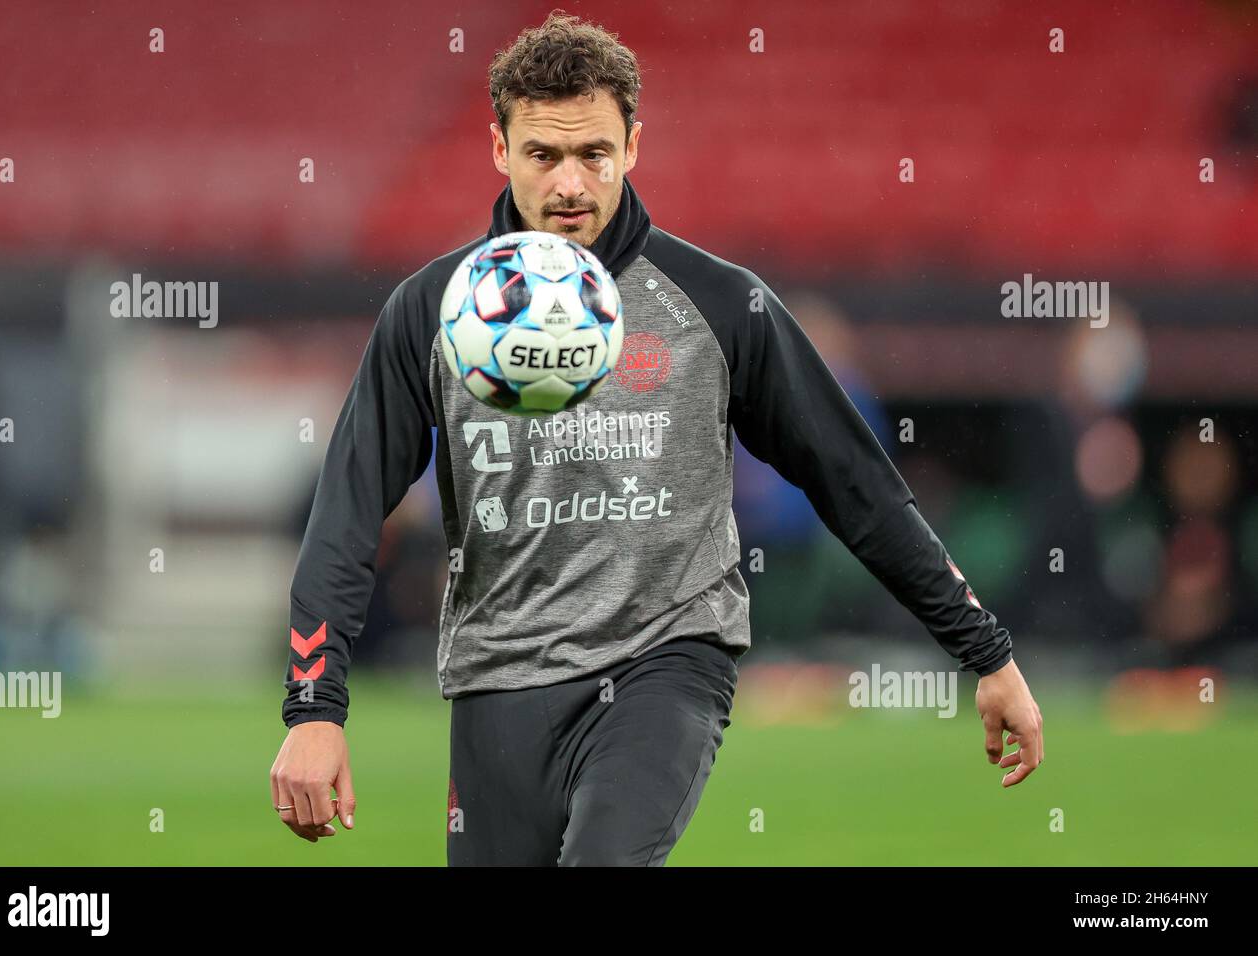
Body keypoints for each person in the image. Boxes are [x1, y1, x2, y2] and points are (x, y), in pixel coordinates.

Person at [269, 10, 1044, 865]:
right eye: (544, 155)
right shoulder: (431, 311)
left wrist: (988, 654)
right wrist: (314, 709)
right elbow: (345, 513)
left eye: (594, 153)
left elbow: (853, 479)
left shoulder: (719, 304)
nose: (571, 183)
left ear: (634, 146)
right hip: (497, 681)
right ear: (498, 148)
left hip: (664, 665)